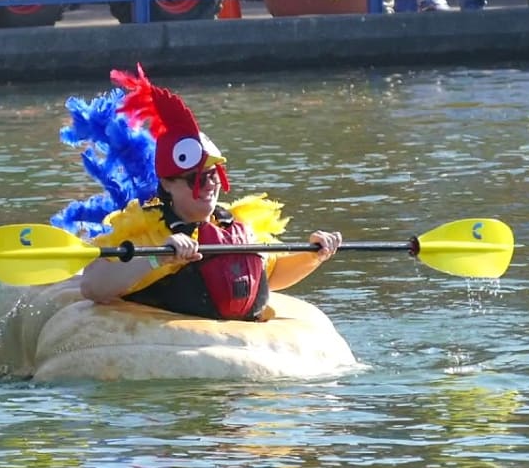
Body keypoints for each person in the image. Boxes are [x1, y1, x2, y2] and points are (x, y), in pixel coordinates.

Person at [77, 66, 342, 321]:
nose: (209, 185)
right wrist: (158, 258)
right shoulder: (146, 233)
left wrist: (314, 254)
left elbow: (272, 275)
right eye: (195, 179)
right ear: (167, 184)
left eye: (214, 175)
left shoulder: (236, 227)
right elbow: (93, 286)